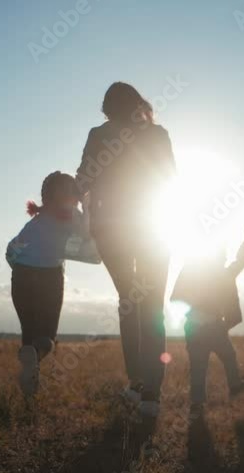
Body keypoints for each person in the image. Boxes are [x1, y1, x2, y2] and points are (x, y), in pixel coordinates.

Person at [76, 82, 177, 419]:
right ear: (137, 104)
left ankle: (137, 382)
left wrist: (63, 201)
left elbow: (84, 178)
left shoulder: (99, 135)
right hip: (155, 227)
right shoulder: (158, 134)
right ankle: (151, 394)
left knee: (129, 302)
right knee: (152, 306)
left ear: (107, 108)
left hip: (112, 229)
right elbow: (171, 178)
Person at [5, 171, 96, 398]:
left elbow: (11, 251)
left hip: (21, 276)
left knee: (28, 334)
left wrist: (21, 268)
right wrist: (87, 208)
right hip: (50, 277)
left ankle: (29, 392)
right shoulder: (73, 216)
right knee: (47, 337)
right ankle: (35, 358)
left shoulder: (35, 221)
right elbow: (88, 237)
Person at [170, 243, 244, 416]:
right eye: (223, 257)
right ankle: (234, 387)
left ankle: (198, 405)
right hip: (212, 326)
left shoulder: (195, 271)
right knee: (226, 356)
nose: (224, 259)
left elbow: (176, 298)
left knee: (200, 365)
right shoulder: (219, 273)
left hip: (197, 327)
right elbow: (237, 265)